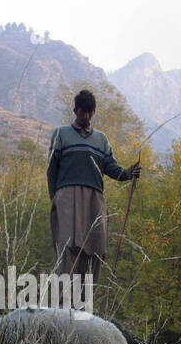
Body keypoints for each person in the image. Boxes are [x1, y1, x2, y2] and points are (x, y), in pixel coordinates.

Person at [45, 89, 141, 300]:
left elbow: (112, 168)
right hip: (67, 196)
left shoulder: (101, 140)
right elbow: (51, 169)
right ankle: (63, 302)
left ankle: (85, 302)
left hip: (94, 199)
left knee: (95, 249)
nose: (86, 117)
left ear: (94, 112)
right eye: (82, 112)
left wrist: (128, 173)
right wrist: (55, 198)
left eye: (90, 112)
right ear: (75, 110)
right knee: (68, 246)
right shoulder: (61, 134)